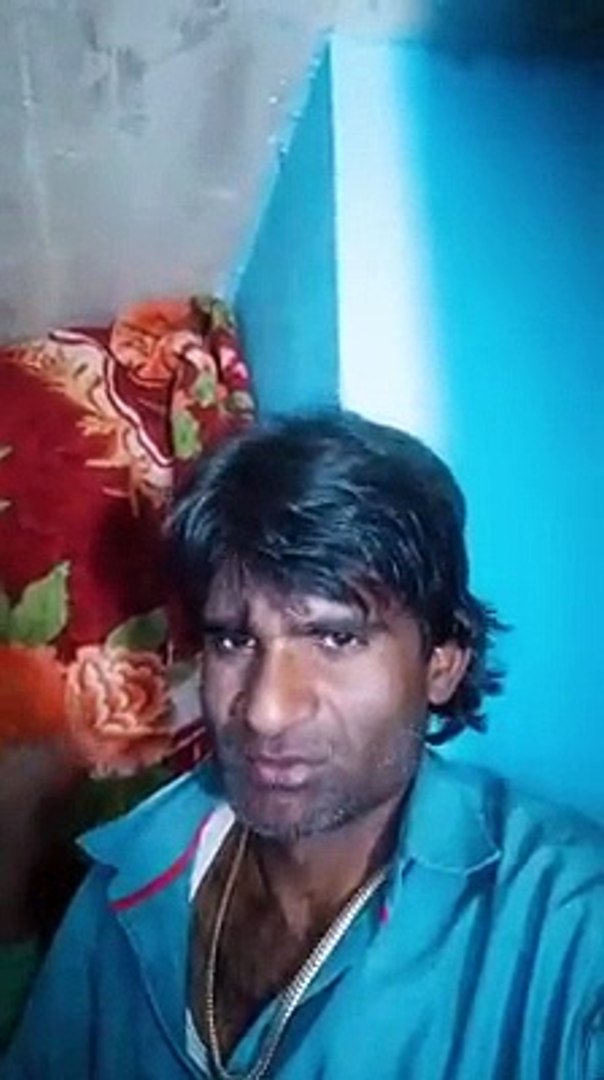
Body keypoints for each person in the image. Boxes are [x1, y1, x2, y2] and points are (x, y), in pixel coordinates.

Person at [3, 410, 604, 1080]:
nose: (266, 711)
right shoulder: (126, 880)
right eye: (235, 640)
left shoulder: (572, 930)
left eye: (336, 639)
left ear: (441, 662)